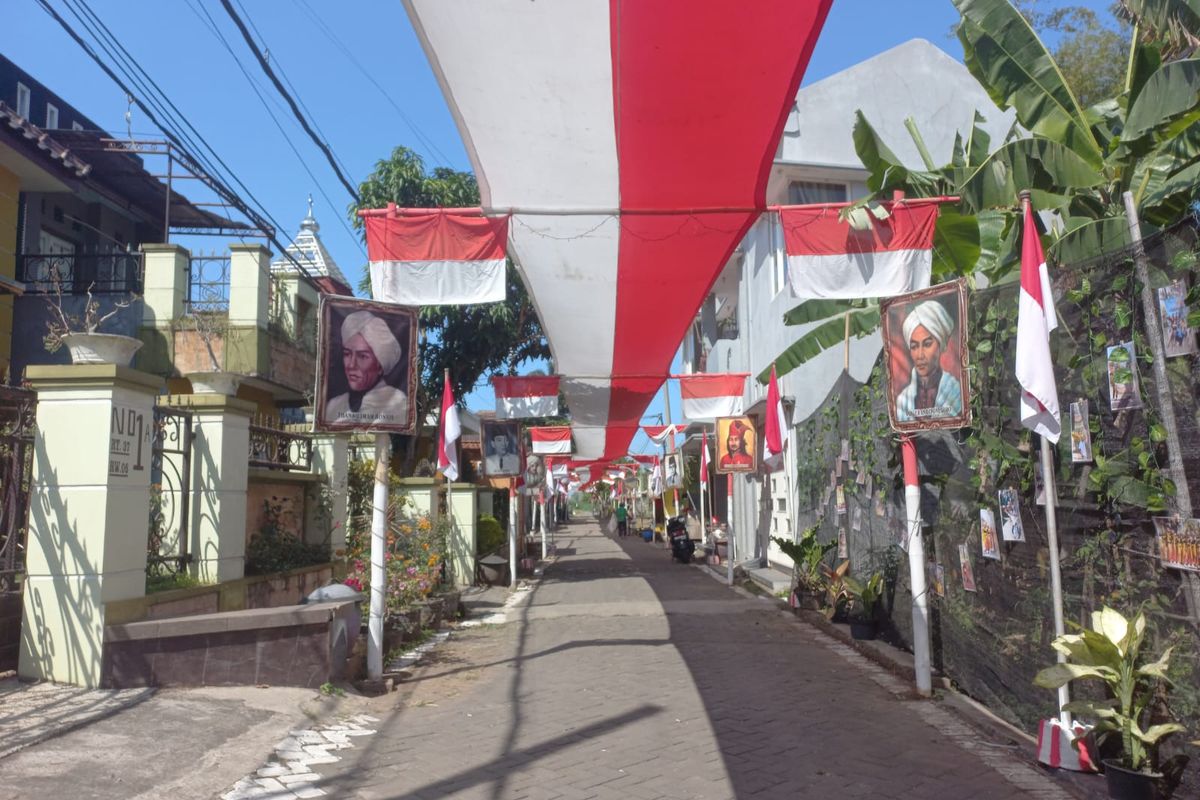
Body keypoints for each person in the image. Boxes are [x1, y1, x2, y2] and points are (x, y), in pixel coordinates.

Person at [325, 310, 408, 425]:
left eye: (362, 356)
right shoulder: (334, 405)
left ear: (380, 365)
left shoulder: (397, 401)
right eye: (347, 354)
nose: (351, 365)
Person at [894, 300, 962, 423]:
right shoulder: (903, 400)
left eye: (927, 344)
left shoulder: (956, 392)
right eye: (914, 346)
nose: (920, 355)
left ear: (941, 345)